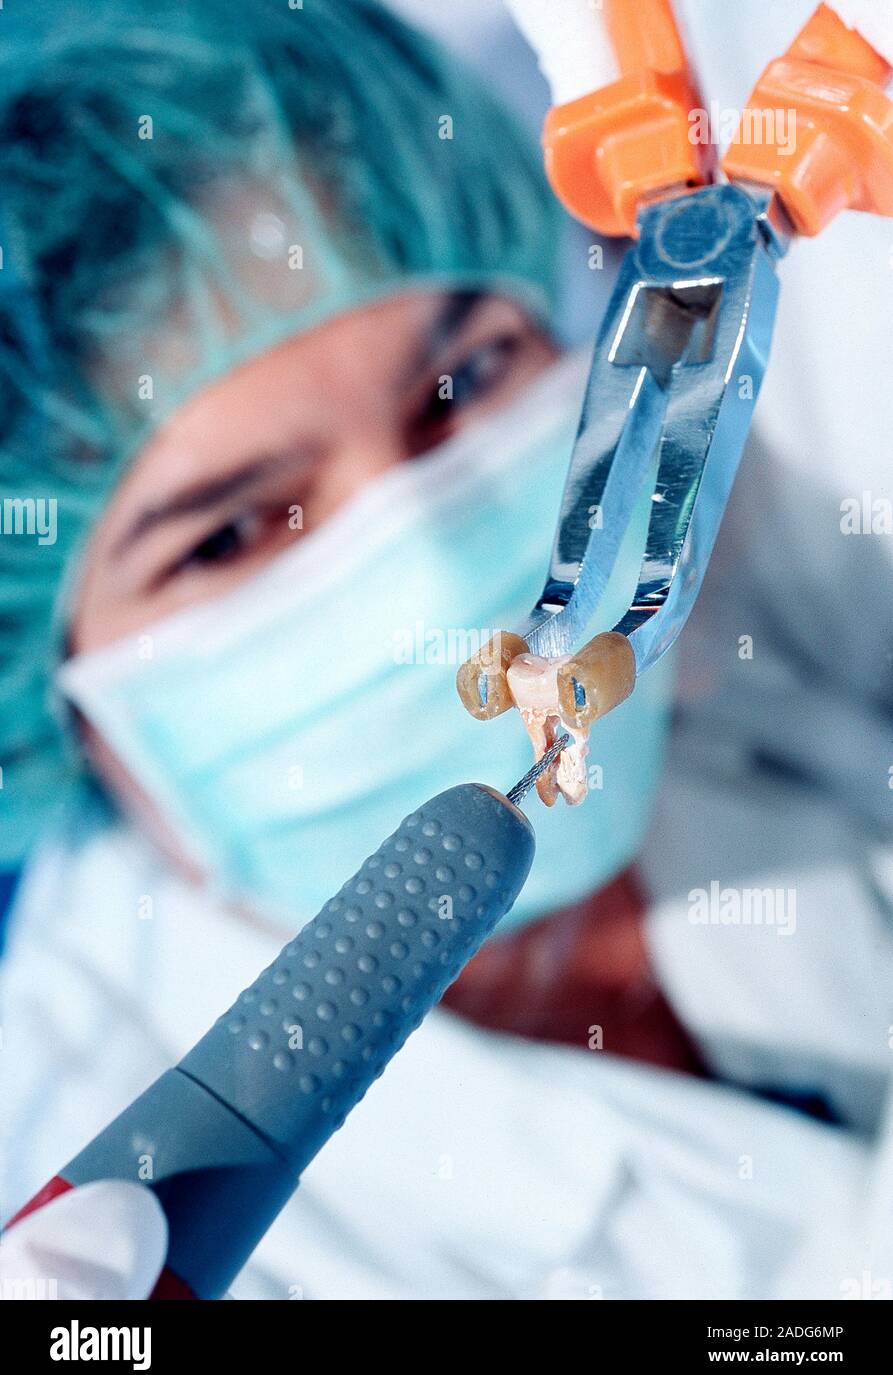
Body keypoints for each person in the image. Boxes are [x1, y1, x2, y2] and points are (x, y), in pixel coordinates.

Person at [0, 0, 891, 1300]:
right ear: (46, 693)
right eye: (237, 529)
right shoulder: (92, 1214)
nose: (429, 561)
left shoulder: (751, 586)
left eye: (465, 381)